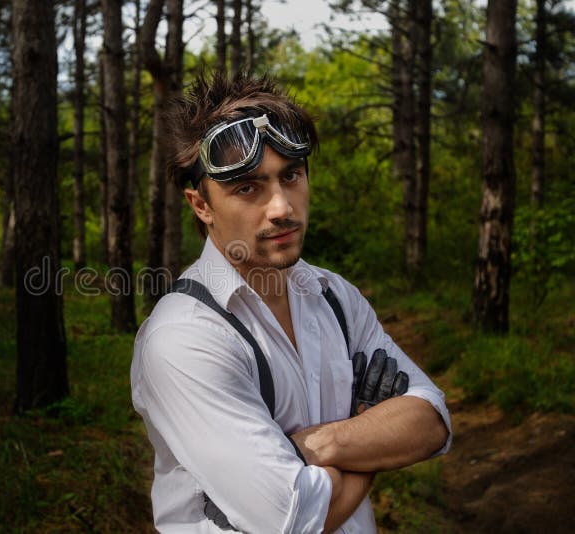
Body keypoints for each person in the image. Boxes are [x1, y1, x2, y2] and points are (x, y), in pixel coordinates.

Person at [130, 71, 452, 533]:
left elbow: (433, 420)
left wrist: (319, 444)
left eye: (292, 176)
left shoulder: (334, 296)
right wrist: (373, 433)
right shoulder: (184, 338)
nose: (282, 207)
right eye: (248, 187)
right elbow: (296, 519)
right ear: (201, 205)